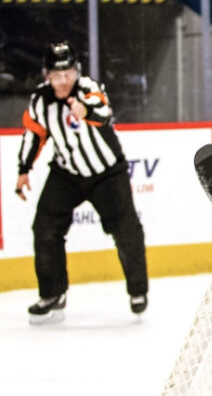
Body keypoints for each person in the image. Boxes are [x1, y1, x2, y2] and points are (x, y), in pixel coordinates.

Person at [16, 41, 148, 323]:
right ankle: (53, 294)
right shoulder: (40, 100)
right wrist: (24, 169)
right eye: (57, 75)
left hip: (107, 173)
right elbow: (34, 134)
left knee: (126, 230)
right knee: (45, 227)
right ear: (46, 75)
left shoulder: (87, 88)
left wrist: (85, 112)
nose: (64, 81)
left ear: (76, 71)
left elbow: (103, 110)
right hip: (67, 174)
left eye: (68, 74)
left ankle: (137, 290)